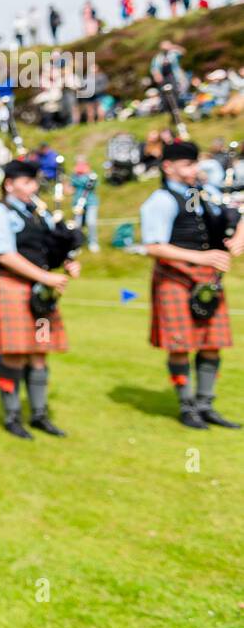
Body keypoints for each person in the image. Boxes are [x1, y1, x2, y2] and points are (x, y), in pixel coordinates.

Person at [139, 139, 243, 429]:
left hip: (208, 279)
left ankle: (205, 404)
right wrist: (202, 256)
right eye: (188, 164)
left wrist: (238, 238)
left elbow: (239, 210)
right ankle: (186, 407)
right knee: (181, 344)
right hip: (176, 278)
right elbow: (153, 247)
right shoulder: (159, 201)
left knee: (212, 344)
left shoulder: (205, 193)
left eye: (195, 163)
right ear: (168, 166)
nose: (194, 169)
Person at [0, 159, 80, 439]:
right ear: (9, 185)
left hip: (41, 295)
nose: (32, 187)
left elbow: (48, 249)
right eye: (26, 182)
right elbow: (3, 254)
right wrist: (44, 277)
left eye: (34, 182)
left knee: (39, 351)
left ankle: (39, 415)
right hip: (11, 287)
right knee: (14, 353)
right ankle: (12, 418)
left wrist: (66, 261)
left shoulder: (39, 214)